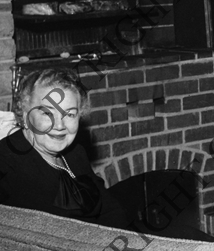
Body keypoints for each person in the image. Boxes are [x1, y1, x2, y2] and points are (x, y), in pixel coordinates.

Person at [0, 68, 127, 227]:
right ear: (25, 116)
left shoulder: (75, 153)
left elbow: (111, 210)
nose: (59, 125)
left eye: (70, 114)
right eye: (47, 113)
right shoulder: (6, 163)